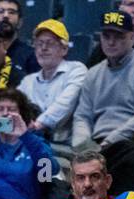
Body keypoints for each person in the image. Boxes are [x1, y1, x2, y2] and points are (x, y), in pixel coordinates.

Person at [70, 11, 134, 199]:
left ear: (131, 37)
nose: (111, 42)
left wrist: (110, 141)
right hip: (96, 144)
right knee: (48, 160)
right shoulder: (93, 73)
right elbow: (82, 116)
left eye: (118, 36)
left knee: (132, 153)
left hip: (131, 141)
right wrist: (83, 144)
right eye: (106, 36)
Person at [19, 20, 86, 153]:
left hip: (63, 147)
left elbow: (64, 103)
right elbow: (13, 107)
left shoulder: (76, 70)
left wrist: (36, 125)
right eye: (39, 43)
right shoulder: (28, 81)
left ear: (64, 49)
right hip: (30, 143)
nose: (43, 48)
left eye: (49, 43)